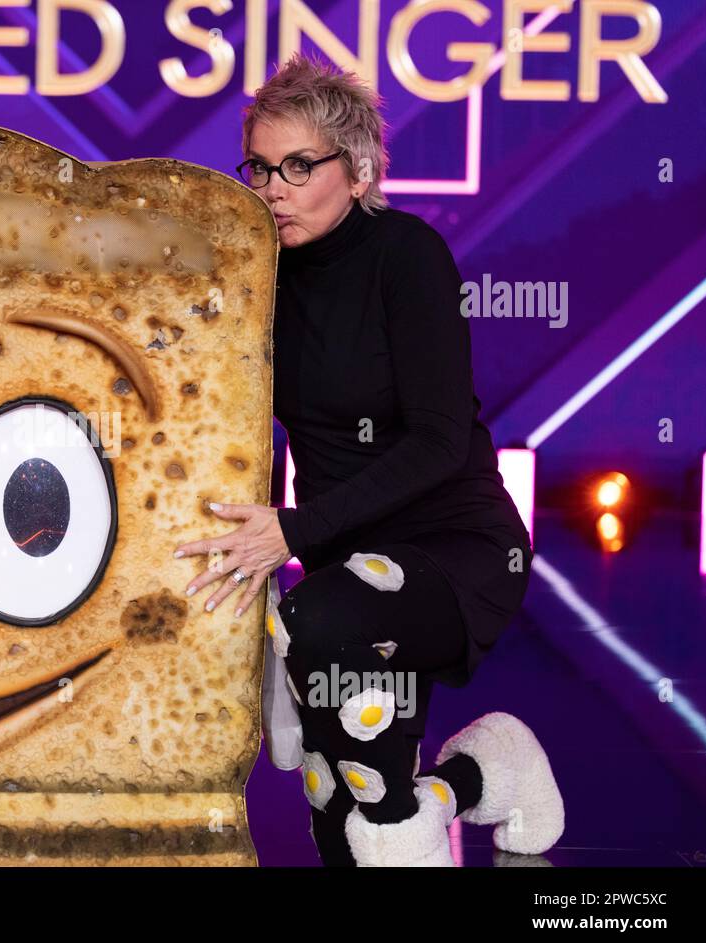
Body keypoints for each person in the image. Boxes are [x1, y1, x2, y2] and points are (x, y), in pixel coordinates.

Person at [173, 54, 564, 866]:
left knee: (316, 621)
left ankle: (400, 816)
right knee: (337, 824)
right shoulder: (260, 278)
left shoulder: (405, 255)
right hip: (347, 565)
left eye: (299, 166)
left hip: (453, 554)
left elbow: (438, 440)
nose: (273, 186)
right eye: (261, 166)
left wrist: (294, 533)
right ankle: (483, 774)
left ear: (355, 171)